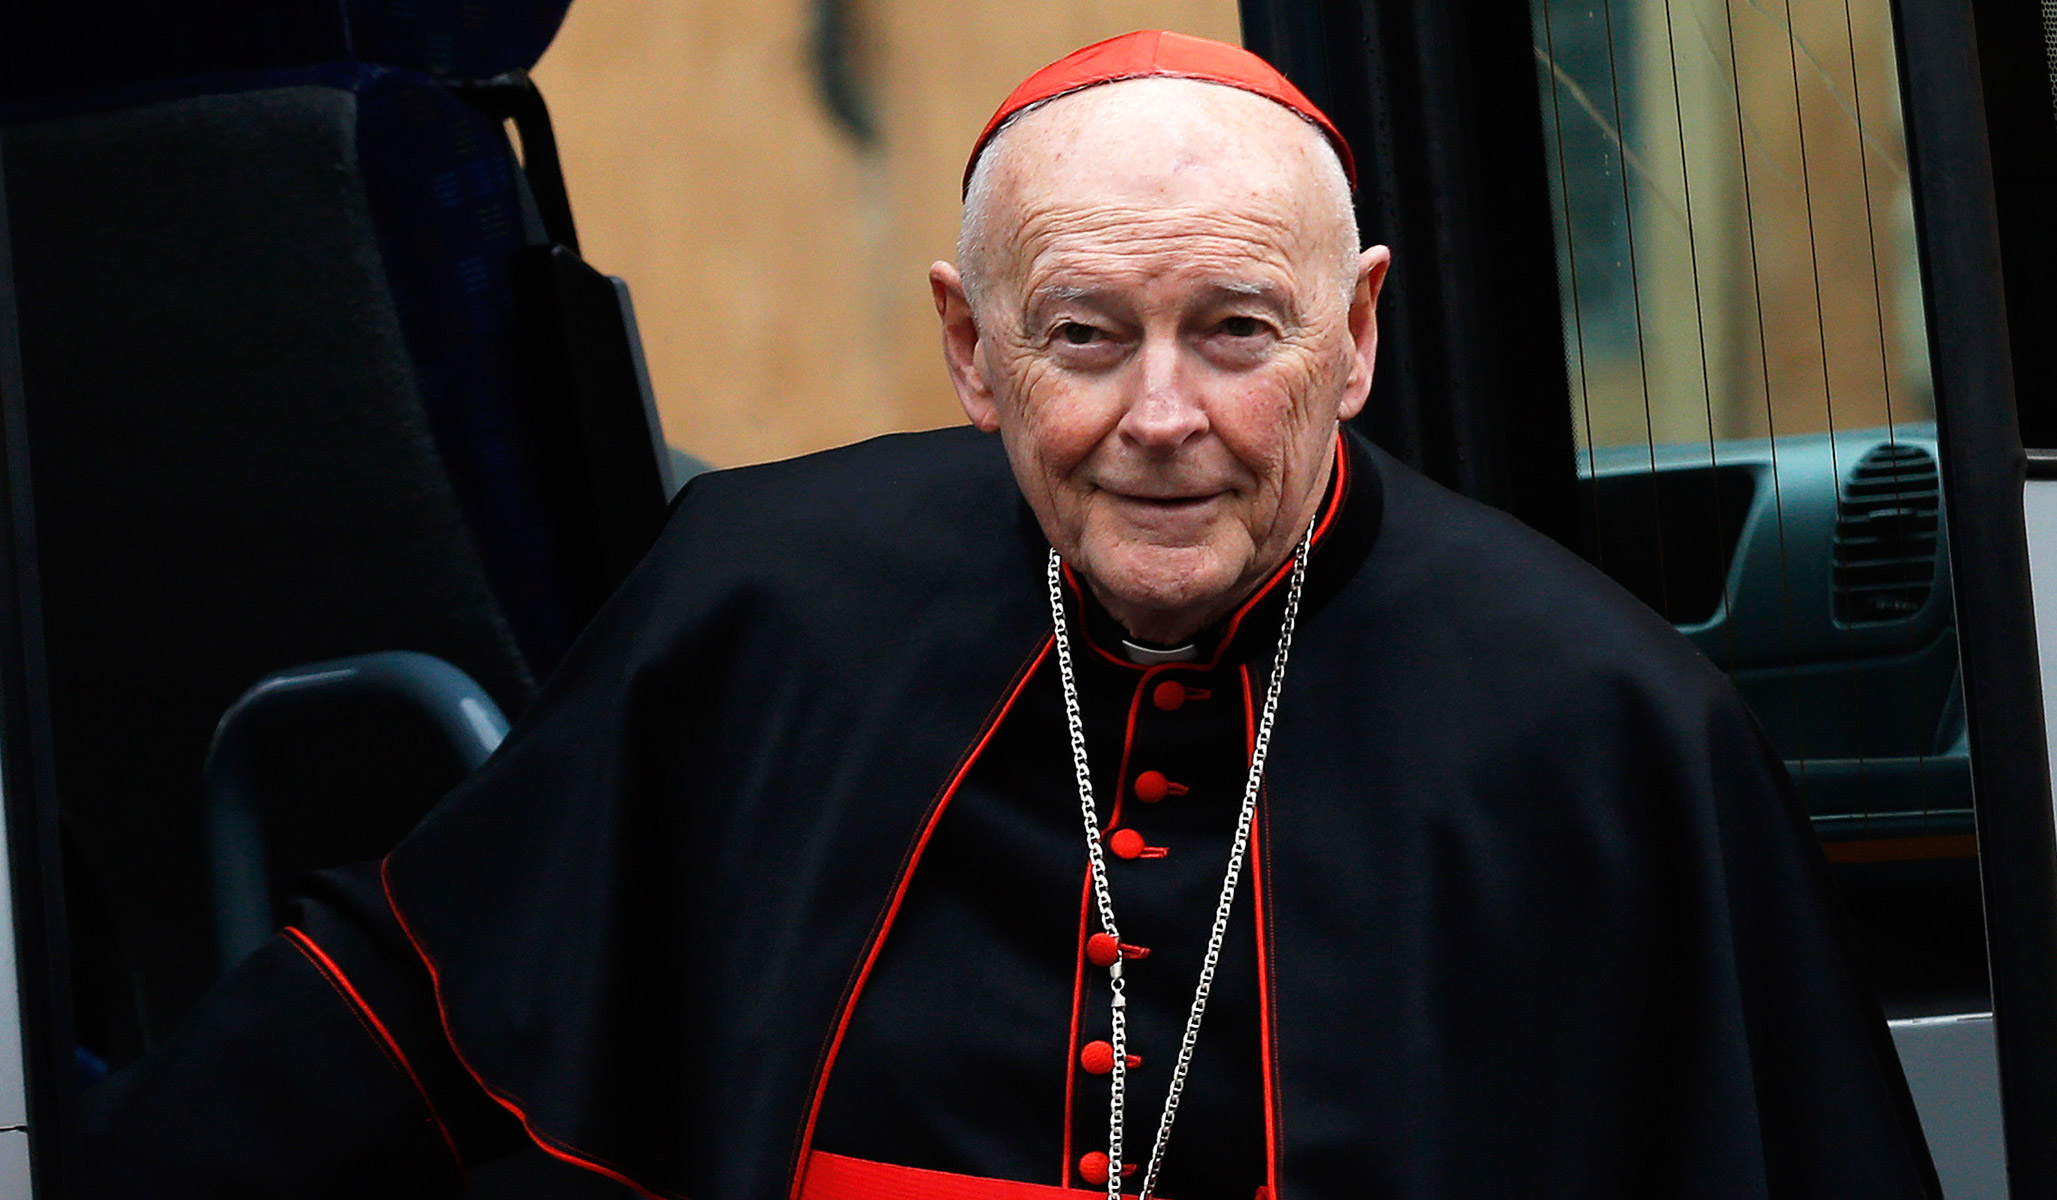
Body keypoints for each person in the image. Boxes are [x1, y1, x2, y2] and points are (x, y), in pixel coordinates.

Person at [87, 30, 1940, 1200]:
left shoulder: (1604, 720)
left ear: (1355, 335)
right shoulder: (767, 597)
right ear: (971, 349)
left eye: (1236, 330)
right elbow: (405, 1007)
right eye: (1083, 335)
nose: (1161, 416)